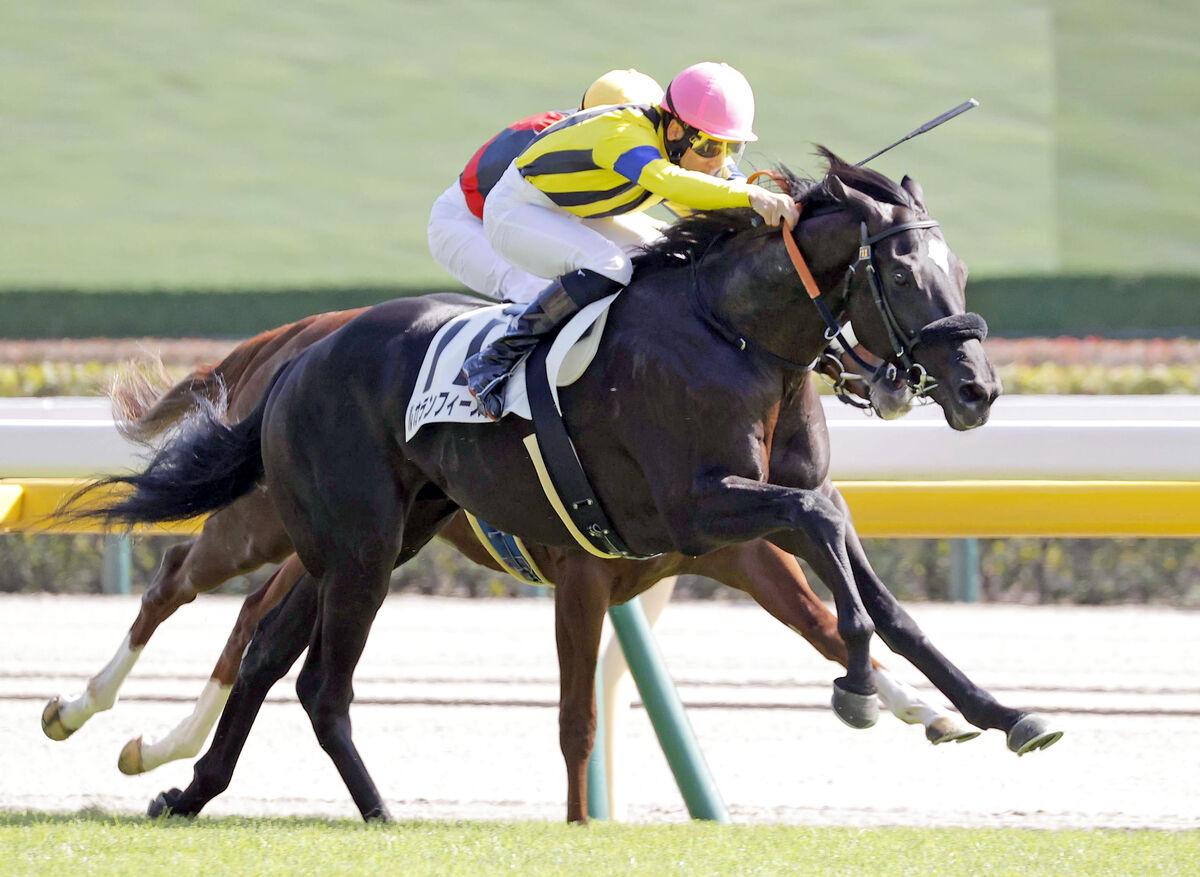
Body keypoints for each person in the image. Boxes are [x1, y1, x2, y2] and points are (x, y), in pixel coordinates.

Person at [463, 61, 799, 420]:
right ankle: (495, 358)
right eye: (709, 147)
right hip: (517, 211)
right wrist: (749, 199)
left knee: (671, 252)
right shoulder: (623, 133)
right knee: (611, 267)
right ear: (674, 130)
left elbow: (721, 189)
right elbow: (667, 181)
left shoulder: (681, 147)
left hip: (580, 213)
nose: (719, 161)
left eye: (731, 148)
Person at [427, 69, 668, 305]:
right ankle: (507, 345)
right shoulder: (542, 140)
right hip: (468, 223)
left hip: (562, 213)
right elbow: (487, 201)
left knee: (659, 248)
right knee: (533, 286)